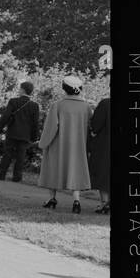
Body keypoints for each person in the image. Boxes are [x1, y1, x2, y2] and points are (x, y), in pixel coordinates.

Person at [37, 75, 92, 213]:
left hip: (58, 145)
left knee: (53, 170)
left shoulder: (58, 105)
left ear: (64, 89)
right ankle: (76, 201)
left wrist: (43, 143)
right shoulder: (87, 107)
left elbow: (51, 127)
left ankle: (52, 199)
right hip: (79, 147)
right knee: (76, 171)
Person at [0, 79, 40, 183]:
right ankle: (17, 177)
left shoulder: (13, 101)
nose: (19, 90)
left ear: (23, 90)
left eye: (20, 88)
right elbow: (35, 123)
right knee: (21, 156)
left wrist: (0, 128)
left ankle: (1, 175)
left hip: (12, 132)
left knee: (8, 154)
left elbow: (6, 116)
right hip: (25, 135)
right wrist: (34, 136)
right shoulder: (35, 106)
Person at [88, 96, 110, 214]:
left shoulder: (106, 103)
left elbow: (95, 125)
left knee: (103, 173)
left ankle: (104, 203)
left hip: (105, 145)